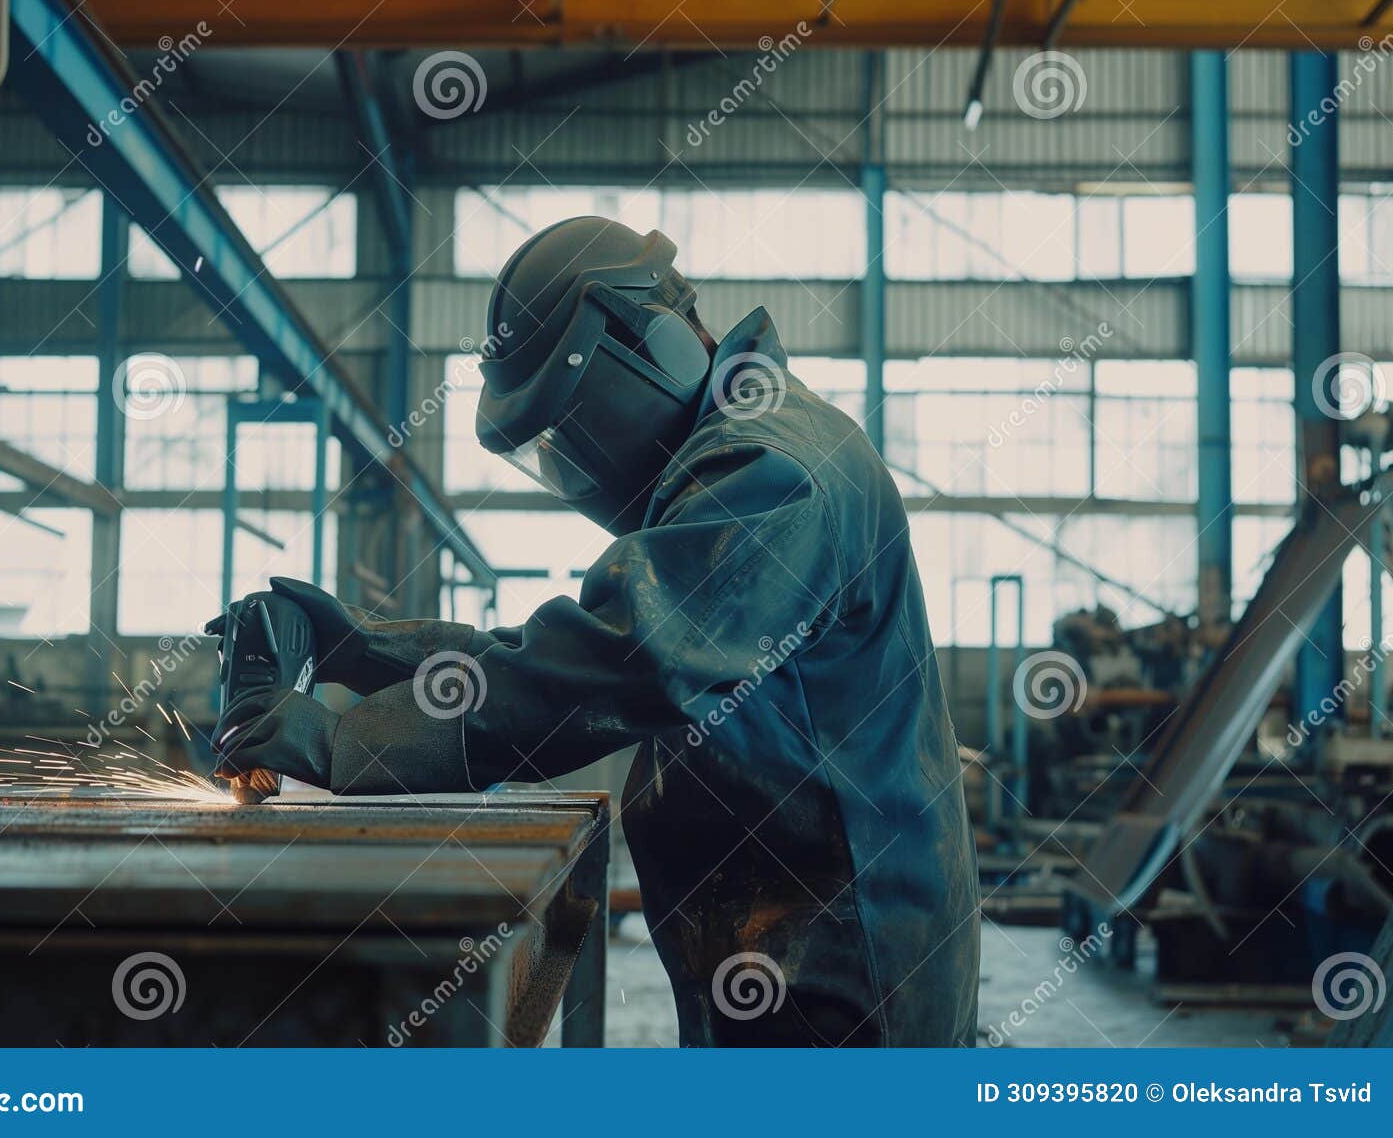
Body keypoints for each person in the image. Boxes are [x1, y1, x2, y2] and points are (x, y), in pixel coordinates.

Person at [211, 217, 979, 1046]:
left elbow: (624, 662)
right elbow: (586, 648)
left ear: (647, 349)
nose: (569, 469)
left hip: (840, 965)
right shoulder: (742, 455)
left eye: (563, 433)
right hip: (788, 933)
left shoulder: (771, 474)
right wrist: (365, 650)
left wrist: (342, 744)